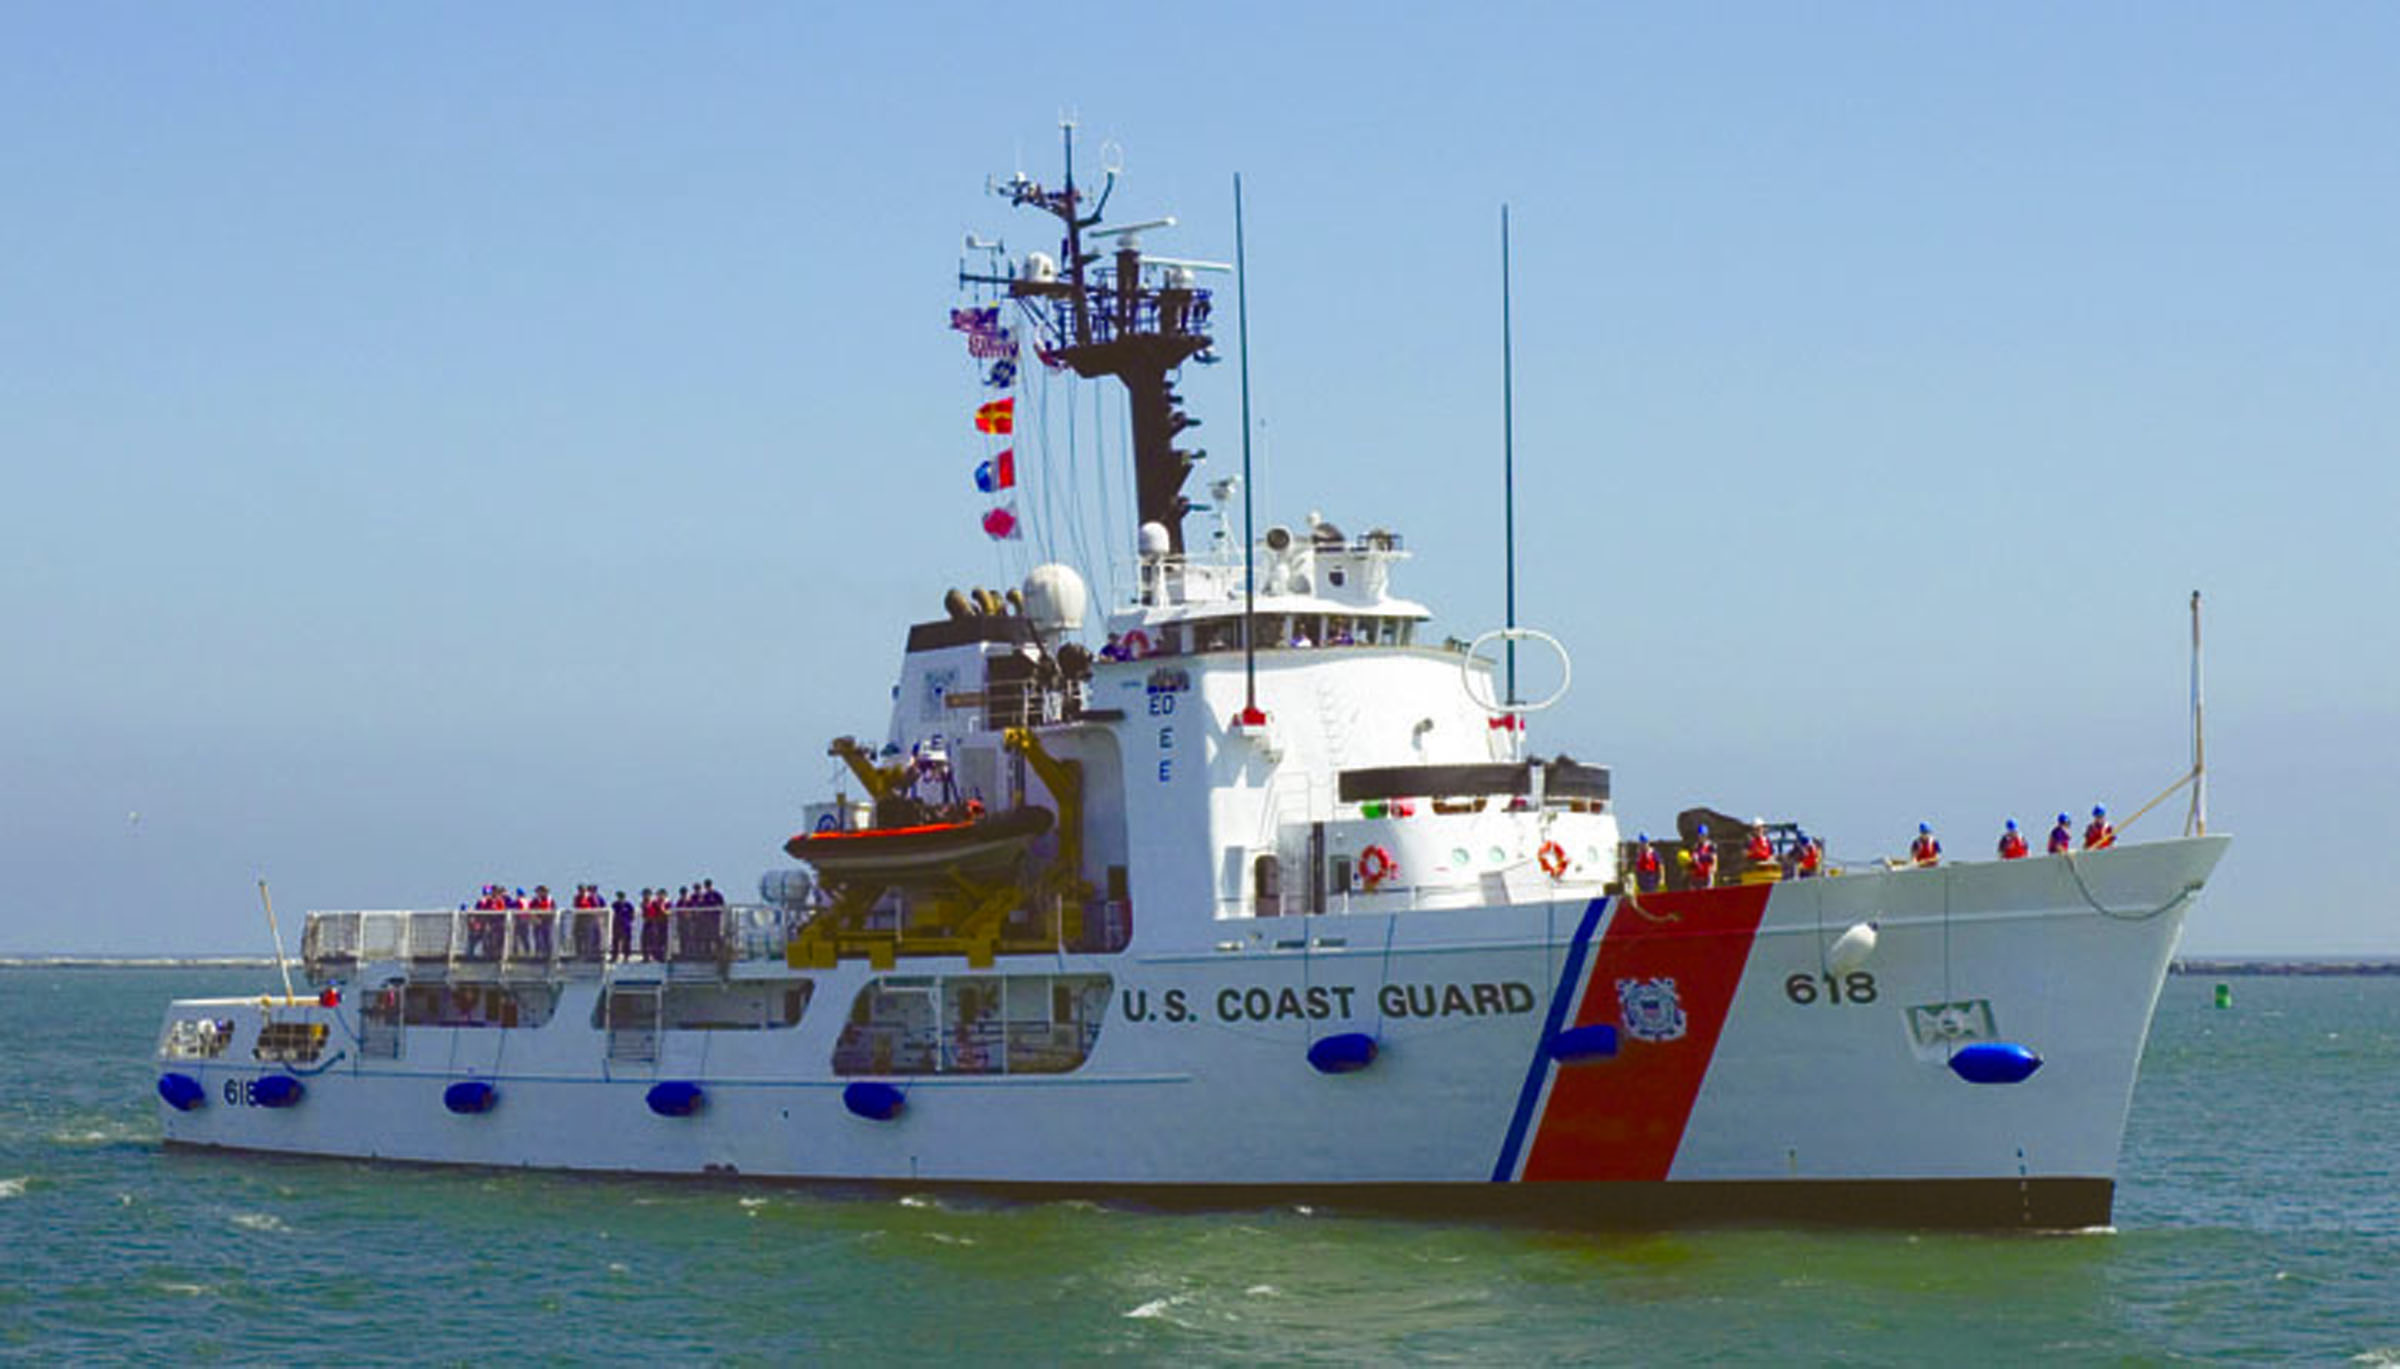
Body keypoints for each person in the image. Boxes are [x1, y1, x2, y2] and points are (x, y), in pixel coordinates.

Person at [1688, 823, 1717, 889]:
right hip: (1697, 874)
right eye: (1700, 835)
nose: (1701, 837)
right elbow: (1692, 859)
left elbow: (1714, 858)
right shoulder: (1696, 847)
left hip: (1707, 874)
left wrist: (1713, 868)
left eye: (1703, 835)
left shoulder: (1710, 846)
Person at [610, 890, 635, 962]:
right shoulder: (615, 905)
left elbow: (632, 914)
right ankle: (614, 956)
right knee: (615, 941)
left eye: (622, 897)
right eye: (619, 897)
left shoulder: (628, 905)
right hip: (617, 926)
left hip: (626, 926)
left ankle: (626, 956)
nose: (620, 898)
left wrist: (629, 921)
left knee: (626, 942)